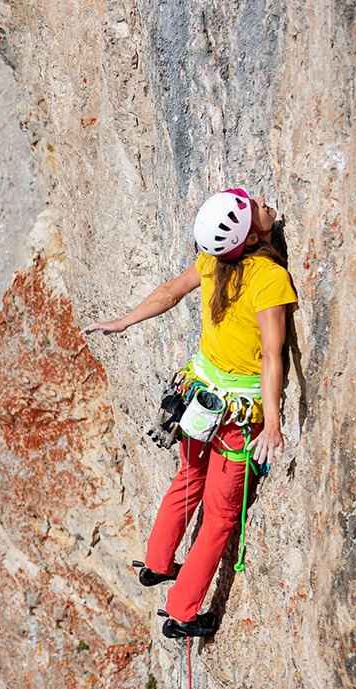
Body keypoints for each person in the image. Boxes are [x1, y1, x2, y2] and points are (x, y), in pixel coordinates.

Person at [84, 189, 296, 638]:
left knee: (188, 478)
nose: (261, 201)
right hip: (238, 414)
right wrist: (273, 423)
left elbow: (168, 293)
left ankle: (158, 564)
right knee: (220, 516)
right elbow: (272, 357)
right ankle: (182, 612)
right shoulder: (268, 278)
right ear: (249, 231)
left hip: (197, 395)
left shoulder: (212, 262)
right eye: (253, 205)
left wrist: (123, 321)